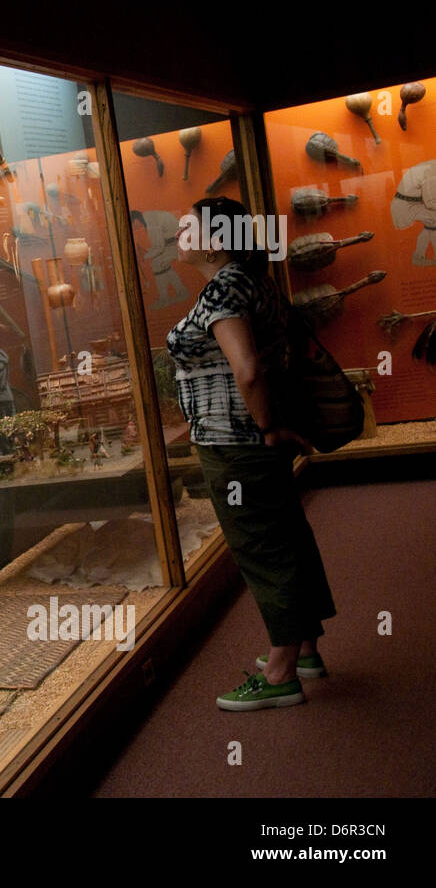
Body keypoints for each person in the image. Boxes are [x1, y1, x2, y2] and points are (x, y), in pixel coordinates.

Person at [166, 196, 336, 711]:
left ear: (216, 241)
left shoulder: (224, 288)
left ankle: (281, 672)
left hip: (235, 442)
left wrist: (266, 428)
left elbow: (248, 369)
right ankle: (304, 649)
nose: (178, 226)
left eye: (188, 223)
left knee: (263, 549)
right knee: (288, 537)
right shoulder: (248, 279)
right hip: (251, 440)